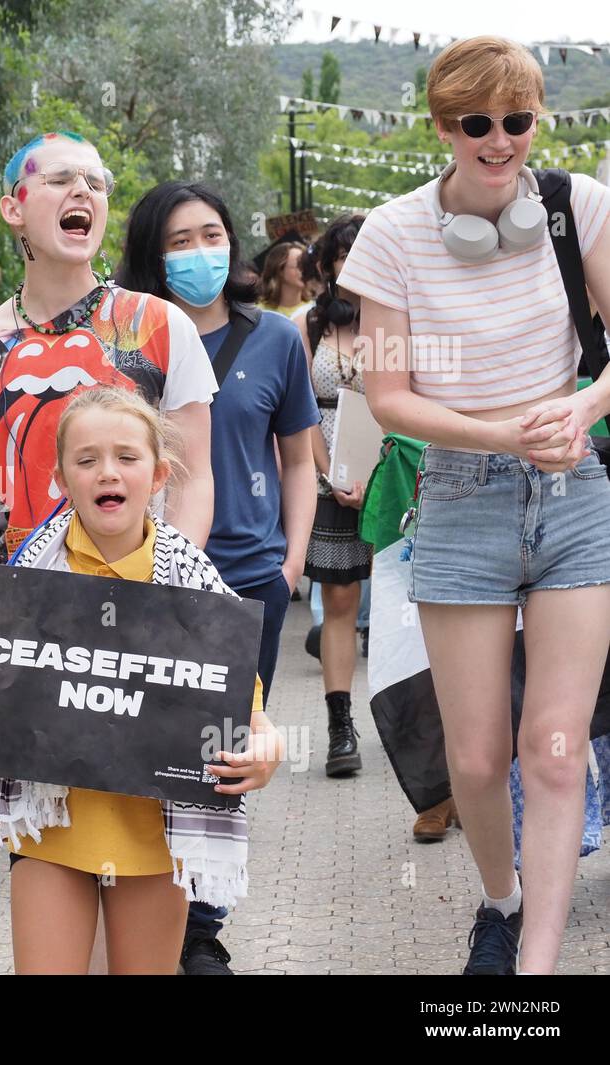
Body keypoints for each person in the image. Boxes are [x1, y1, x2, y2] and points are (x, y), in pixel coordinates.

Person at [339, 36, 610, 974]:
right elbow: (387, 395)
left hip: (575, 494)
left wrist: (581, 403)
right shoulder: (391, 232)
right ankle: (500, 900)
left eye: (519, 121)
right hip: (458, 493)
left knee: (558, 744)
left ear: (538, 119)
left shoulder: (579, 207)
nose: (500, 141)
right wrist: (501, 436)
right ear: (444, 126)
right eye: (477, 124)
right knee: (479, 759)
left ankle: (532, 968)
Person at [0, 387, 282, 973]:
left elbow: (243, 699)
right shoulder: (30, 573)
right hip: (51, 832)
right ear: (61, 477)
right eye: (86, 460)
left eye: (127, 457)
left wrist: (267, 747)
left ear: (159, 474)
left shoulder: (192, 579)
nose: (106, 472)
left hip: (153, 841)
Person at [117, 181, 320, 974]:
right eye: (178, 240)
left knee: (221, 752)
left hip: (245, 577)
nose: (200, 253)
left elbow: (299, 457)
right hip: (136, 578)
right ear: (149, 253)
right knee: (144, 751)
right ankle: (145, 913)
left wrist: (292, 555)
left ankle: (202, 926)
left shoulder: (274, 338)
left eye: (212, 235)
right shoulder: (123, 339)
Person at [297, 214, 371, 780]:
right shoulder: (308, 326)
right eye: (342, 253)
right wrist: (330, 477)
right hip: (330, 480)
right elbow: (299, 416)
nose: (350, 263)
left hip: (393, 477)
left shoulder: (401, 319)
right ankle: (340, 727)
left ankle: (428, 733)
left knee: (409, 610)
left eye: (361, 251)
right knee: (339, 605)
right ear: (326, 264)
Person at [257, 240, 310, 318]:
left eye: (307, 265)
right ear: (280, 270)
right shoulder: (259, 313)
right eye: (299, 265)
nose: (305, 270)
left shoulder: (314, 308)